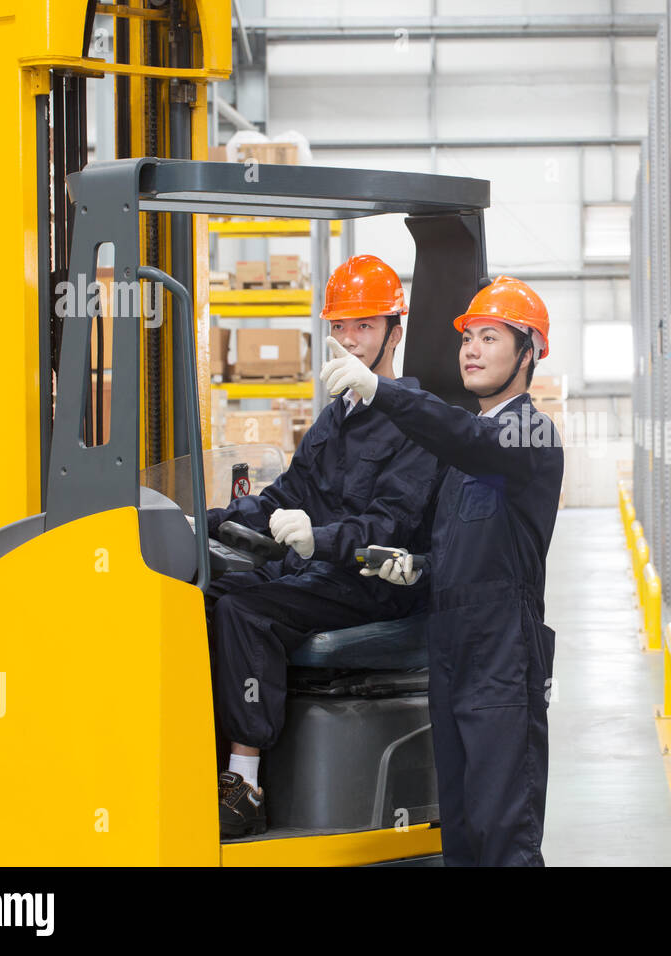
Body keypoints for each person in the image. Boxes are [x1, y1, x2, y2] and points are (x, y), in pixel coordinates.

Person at [322, 275, 563, 866]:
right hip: (452, 656)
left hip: (504, 657)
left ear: (527, 352)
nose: (472, 350)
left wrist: (381, 391)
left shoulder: (529, 433)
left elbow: (467, 439)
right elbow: (466, 554)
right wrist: (416, 569)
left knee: (504, 829)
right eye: (467, 339)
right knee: (458, 830)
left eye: (489, 337)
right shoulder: (464, 455)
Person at [207, 254, 442, 838]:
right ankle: (205, 761)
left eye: (362, 325)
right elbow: (284, 493)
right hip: (318, 576)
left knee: (246, 611)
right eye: (338, 326)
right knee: (209, 592)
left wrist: (321, 539)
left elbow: (390, 525)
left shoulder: (419, 424)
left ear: (395, 330)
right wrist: (203, 521)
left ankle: (244, 785)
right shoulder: (334, 420)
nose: (347, 339)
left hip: (375, 585)